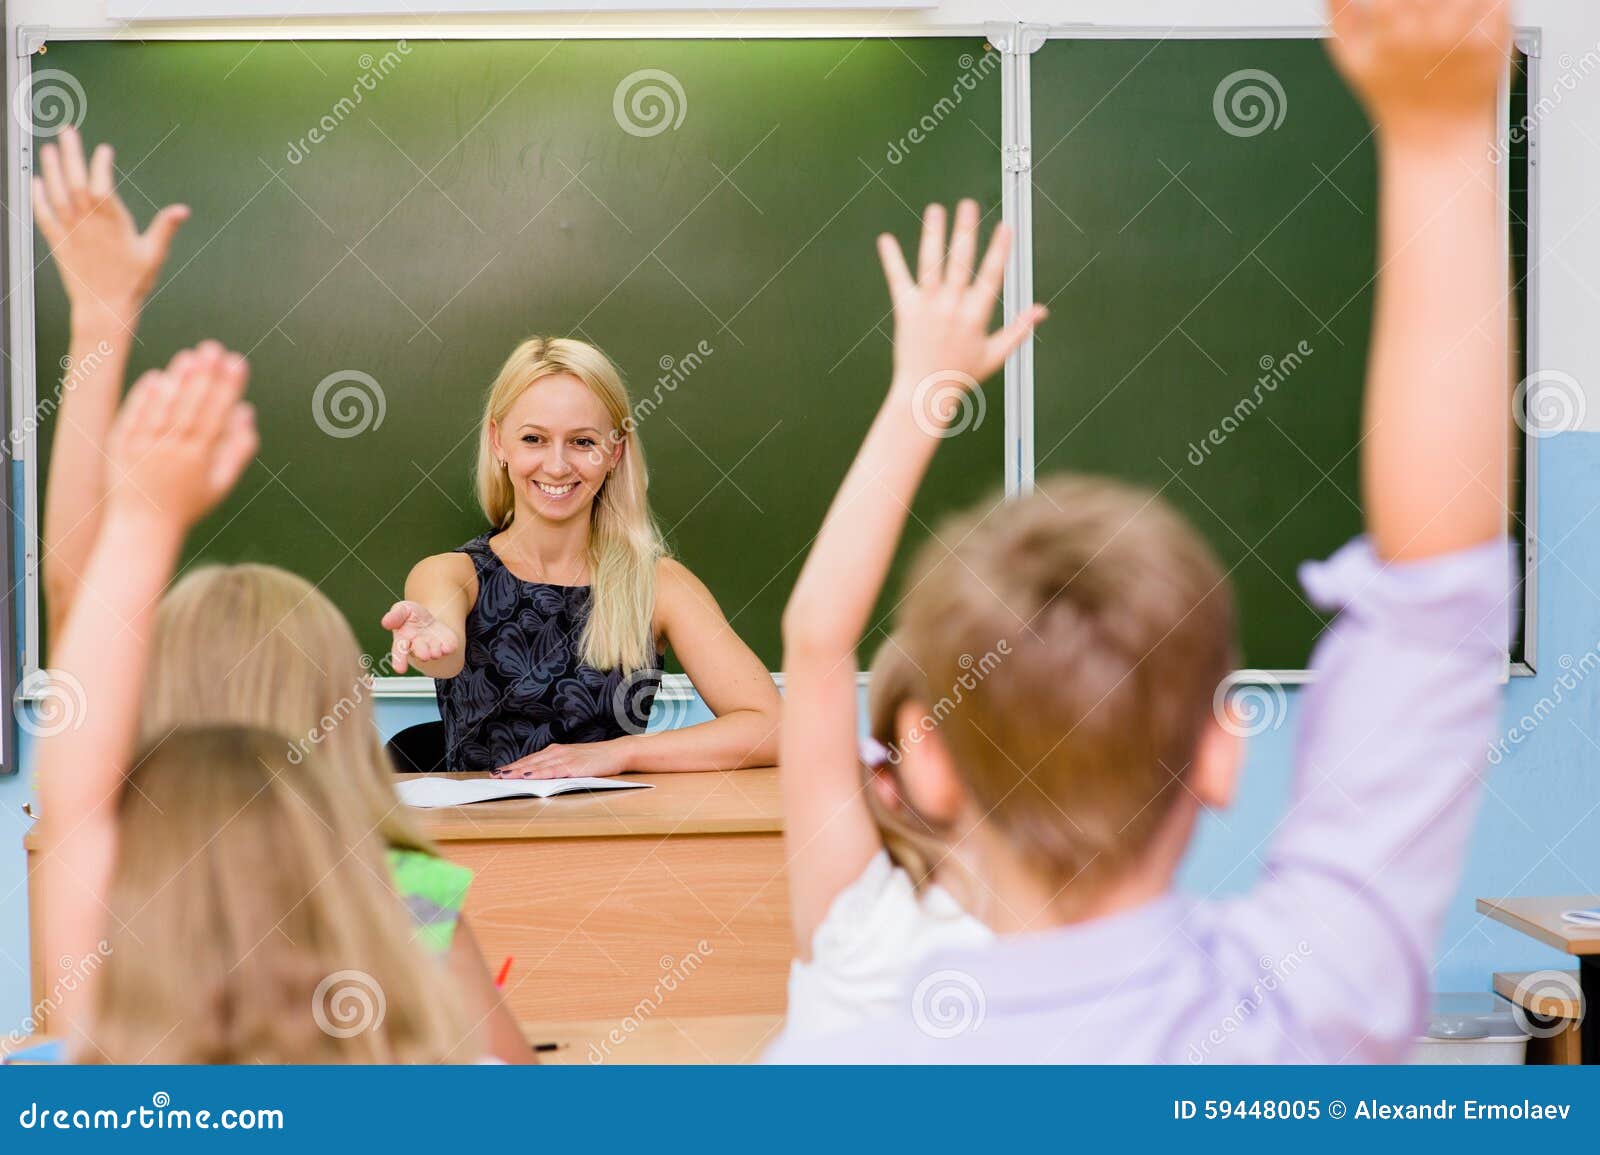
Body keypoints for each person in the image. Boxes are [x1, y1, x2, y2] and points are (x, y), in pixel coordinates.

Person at [769, 0, 1512, 1062]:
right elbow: (1440, 596)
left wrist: (922, 395)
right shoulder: (1297, 1017)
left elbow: (813, 639)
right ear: (1221, 753)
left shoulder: (844, 1026)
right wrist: (1439, 128)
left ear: (923, 758)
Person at [385, 336, 780, 777]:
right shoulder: (450, 574)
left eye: (582, 442)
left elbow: (773, 727)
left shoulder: (660, 585)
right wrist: (431, 640)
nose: (556, 466)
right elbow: (443, 654)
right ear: (499, 443)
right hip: (479, 838)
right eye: (533, 438)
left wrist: (619, 754)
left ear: (615, 450)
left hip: (611, 837)